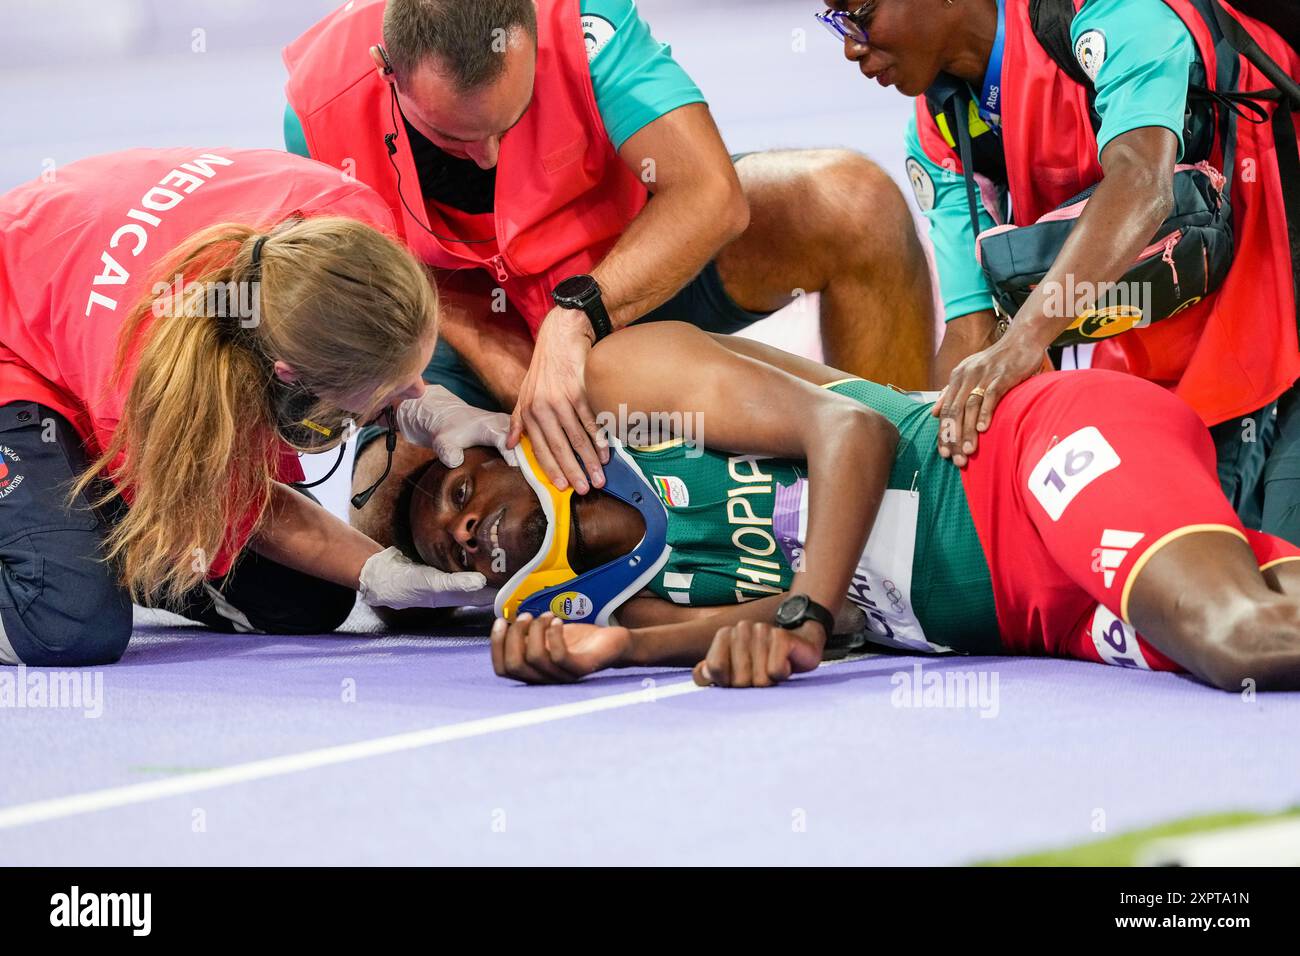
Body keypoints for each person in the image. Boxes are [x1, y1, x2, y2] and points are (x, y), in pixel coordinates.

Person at [356, 320, 1300, 691]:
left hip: (1019, 460)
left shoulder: (619, 387)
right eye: (443, 549)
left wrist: (801, 618)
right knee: (1270, 605)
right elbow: (839, 613)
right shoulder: (616, 600)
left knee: (1241, 642)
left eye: (455, 491)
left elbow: (854, 435)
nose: (461, 528)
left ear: (491, 444)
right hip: (1029, 614)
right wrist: (621, 650)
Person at [282, 0, 935, 497]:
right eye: (453, 136)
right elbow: (374, 295)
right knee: (397, 501)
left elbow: (712, 195)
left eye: (510, 123)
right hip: (459, 327)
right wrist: (490, 350)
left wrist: (575, 319)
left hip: (627, 276)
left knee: (855, 205)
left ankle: (911, 500)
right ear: (385, 71)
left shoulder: (583, 24)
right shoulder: (318, 112)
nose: (488, 156)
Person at [0, 146, 510, 667]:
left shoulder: (355, 227)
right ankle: (72, 539)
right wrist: (376, 572)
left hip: (71, 283)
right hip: (14, 344)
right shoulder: (161, 389)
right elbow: (245, 507)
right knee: (67, 626)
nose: (419, 391)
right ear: (290, 372)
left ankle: (80, 531)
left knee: (307, 598)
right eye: (397, 386)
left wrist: (407, 399)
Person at [821, 0, 1300, 538]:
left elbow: (1142, 183)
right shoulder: (939, 129)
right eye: (834, 21)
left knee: (1268, 583)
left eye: (859, 11)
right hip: (1164, 362)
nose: (850, 45)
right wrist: (925, 492)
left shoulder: (1110, 13)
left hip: (1280, 322)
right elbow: (971, 330)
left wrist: (1024, 338)